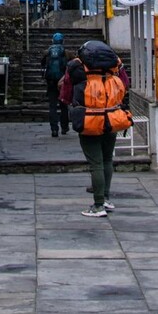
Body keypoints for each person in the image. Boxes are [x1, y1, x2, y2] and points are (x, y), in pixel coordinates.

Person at [69, 38, 132, 217]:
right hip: (111, 117)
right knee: (106, 160)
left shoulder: (78, 67)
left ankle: (98, 205)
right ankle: (105, 198)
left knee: (95, 163)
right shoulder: (114, 66)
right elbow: (125, 84)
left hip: (89, 119)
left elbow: (67, 88)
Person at [40, 31, 69, 137]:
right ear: (62, 41)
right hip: (62, 82)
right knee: (63, 105)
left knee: (52, 106)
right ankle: (64, 127)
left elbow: (42, 64)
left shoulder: (48, 51)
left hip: (51, 82)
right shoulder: (65, 52)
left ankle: (54, 129)